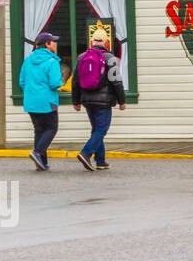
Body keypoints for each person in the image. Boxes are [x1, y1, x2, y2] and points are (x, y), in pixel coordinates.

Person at [72, 26, 126, 172]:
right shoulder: (110, 58)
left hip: (87, 100)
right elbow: (116, 81)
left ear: (92, 42)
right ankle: (86, 153)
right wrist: (122, 101)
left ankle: (100, 161)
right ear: (106, 42)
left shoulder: (81, 57)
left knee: (96, 129)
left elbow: (75, 81)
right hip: (104, 101)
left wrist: (75, 101)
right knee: (102, 129)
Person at [21, 31, 64, 172]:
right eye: (53, 41)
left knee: (39, 130)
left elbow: (21, 82)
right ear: (47, 44)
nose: (55, 44)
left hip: (31, 101)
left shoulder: (27, 60)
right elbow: (55, 83)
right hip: (47, 101)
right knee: (51, 128)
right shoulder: (52, 61)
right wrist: (61, 81)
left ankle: (42, 162)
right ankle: (37, 152)